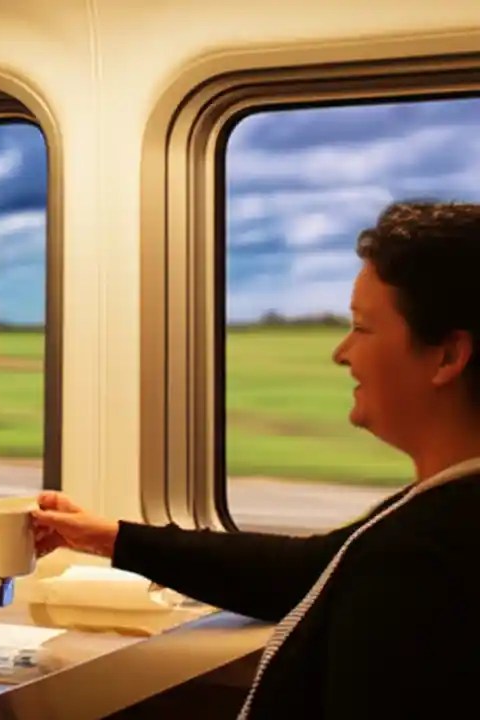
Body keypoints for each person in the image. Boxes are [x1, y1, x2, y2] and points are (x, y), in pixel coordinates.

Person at [30, 202, 480, 719]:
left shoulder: (419, 563)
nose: (341, 352)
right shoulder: (435, 512)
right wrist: (105, 537)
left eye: (363, 328)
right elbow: (308, 570)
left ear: (447, 356)